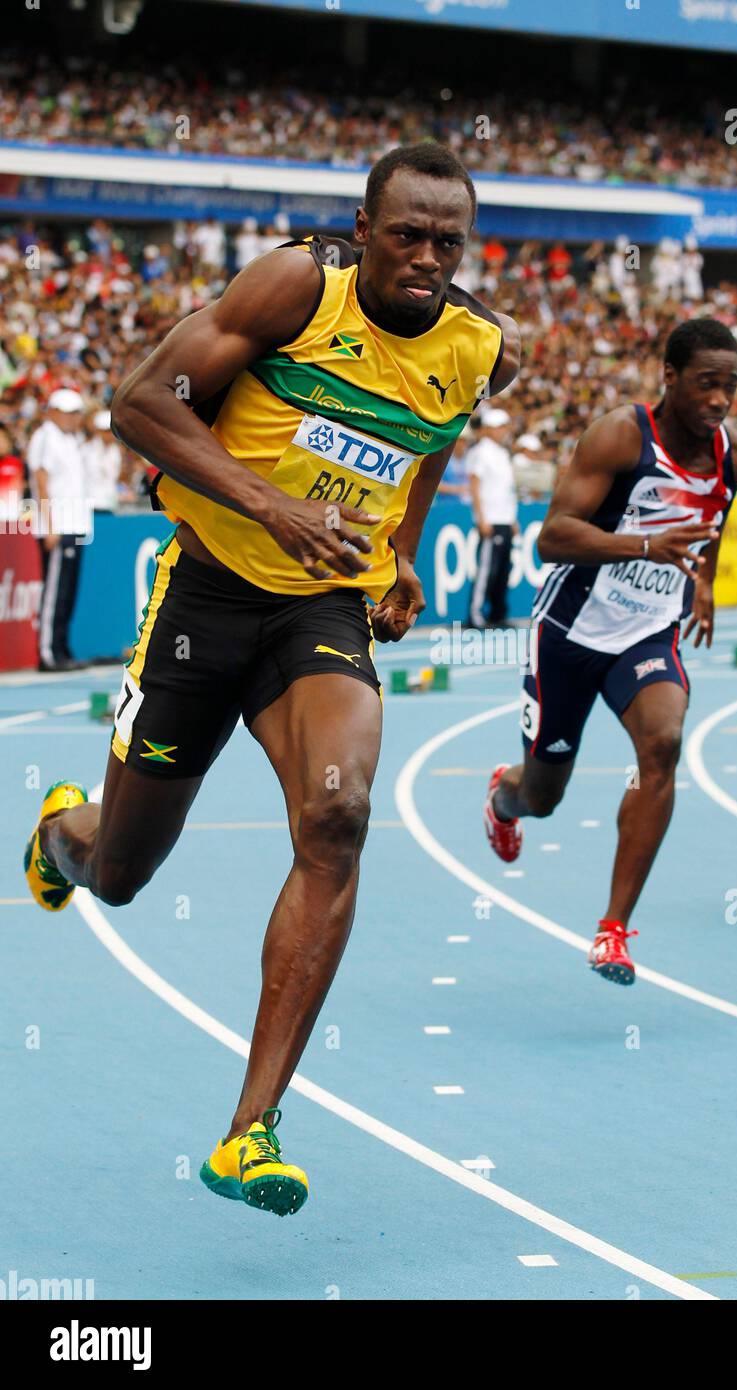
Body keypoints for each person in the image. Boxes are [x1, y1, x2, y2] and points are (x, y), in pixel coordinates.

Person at [24, 144, 520, 1216]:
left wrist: (401, 552)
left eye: (449, 240)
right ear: (365, 226)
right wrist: (270, 503)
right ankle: (66, 831)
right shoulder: (298, 284)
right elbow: (142, 402)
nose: (428, 258)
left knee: (339, 816)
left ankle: (250, 1131)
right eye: (408, 235)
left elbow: (430, 439)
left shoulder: (478, 348)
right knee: (119, 874)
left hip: (322, 608)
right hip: (203, 596)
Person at [483, 319, 737, 985]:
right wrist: (646, 546)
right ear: (668, 377)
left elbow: (715, 516)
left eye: (730, 386)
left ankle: (612, 930)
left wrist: (702, 580)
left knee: (663, 743)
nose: (720, 400)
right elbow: (551, 538)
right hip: (569, 632)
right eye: (705, 385)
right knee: (543, 793)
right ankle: (503, 796)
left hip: (647, 633)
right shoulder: (620, 435)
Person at [27, 387, 92, 672]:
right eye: (68, 413)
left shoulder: (72, 439)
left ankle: (62, 648)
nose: (73, 418)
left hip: (76, 525)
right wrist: (50, 526)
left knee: (68, 591)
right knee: (55, 593)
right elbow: (41, 481)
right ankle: (49, 653)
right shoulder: (45, 437)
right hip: (58, 526)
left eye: (76, 413)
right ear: (53, 411)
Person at [467, 407, 518, 628]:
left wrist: (512, 518)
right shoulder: (480, 452)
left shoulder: (502, 453)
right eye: (500, 427)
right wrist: (481, 518)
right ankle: (476, 615)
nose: (504, 431)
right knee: (488, 570)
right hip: (491, 519)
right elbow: (475, 487)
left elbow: (507, 489)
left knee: (503, 570)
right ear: (488, 429)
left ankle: (498, 614)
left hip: (504, 519)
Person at [82, 409, 123, 515]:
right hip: (90, 505)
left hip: (110, 505)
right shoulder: (86, 450)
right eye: (107, 431)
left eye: (111, 431)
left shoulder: (116, 451)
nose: (110, 434)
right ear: (98, 431)